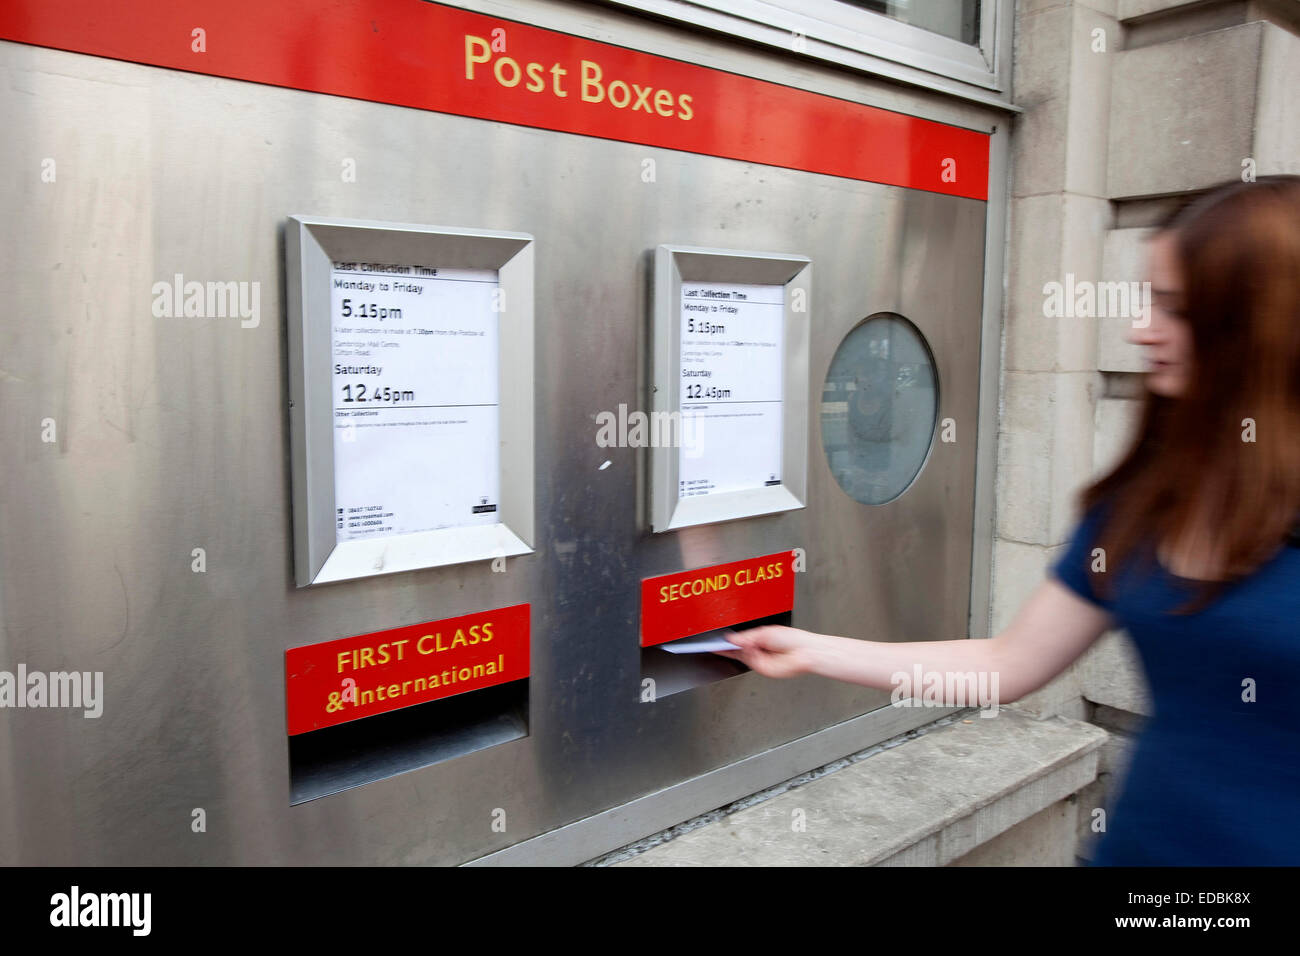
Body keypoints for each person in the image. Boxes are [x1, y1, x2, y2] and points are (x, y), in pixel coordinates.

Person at [719, 175, 1300, 866]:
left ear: (1260, 326)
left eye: (1175, 309)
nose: (1141, 329)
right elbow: (1005, 666)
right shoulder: (1143, 506)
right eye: (1149, 300)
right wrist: (814, 651)